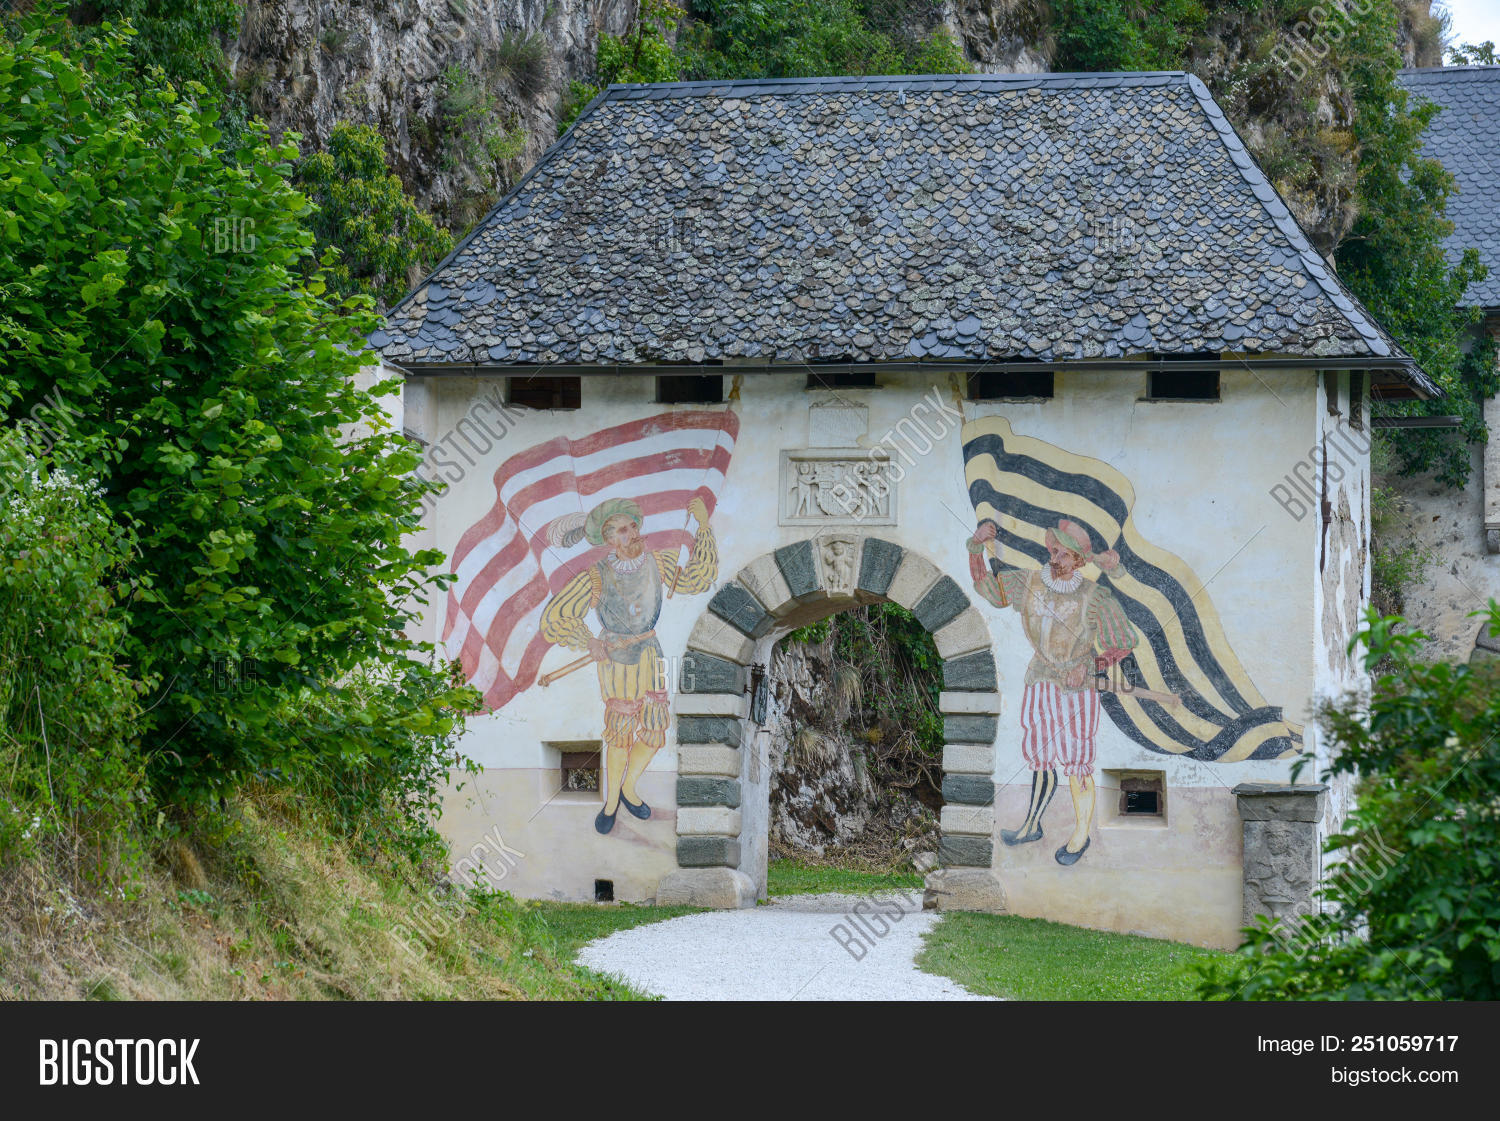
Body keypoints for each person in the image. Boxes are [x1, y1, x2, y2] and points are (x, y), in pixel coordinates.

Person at [541, 496, 717, 835]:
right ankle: (610, 803)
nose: (633, 533)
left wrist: (704, 527)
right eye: (623, 530)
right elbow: (556, 616)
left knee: (654, 731)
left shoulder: (658, 562)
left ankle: (628, 788)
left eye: (633, 526)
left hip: (652, 652)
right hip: (616, 659)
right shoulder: (596, 576)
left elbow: (697, 579)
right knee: (620, 735)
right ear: (609, 539)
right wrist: (589, 641)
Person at [967, 517, 1138, 865]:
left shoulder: (1094, 596)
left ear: (1078, 561)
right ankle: (1032, 824)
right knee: (1040, 754)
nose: (1055, 557)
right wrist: (975, 547)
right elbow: (988, 588)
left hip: (1078, 689)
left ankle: (1080, 835)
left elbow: (1123, 642)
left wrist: (1090, 664)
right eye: (1053, 550)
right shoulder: (1028, 582)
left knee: (1077, 761)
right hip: (1040, 680)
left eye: (1063, 553)